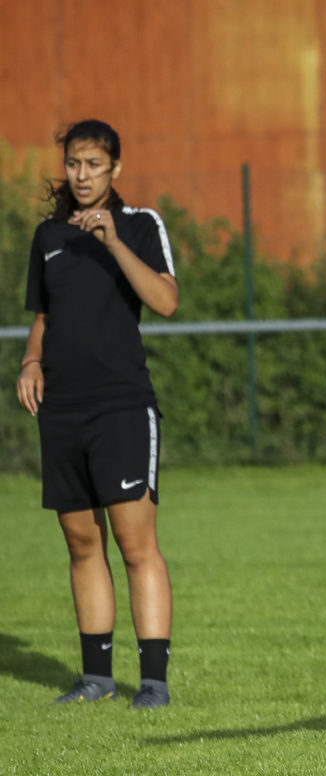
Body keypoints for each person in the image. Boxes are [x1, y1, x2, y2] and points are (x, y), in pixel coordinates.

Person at [15, 119, 179, 709]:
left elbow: (165, 301)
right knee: (82, 543)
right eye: (74, 164)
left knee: (137, 545)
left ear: (115, 169)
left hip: (122, 408)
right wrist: (31, 361)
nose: (82, 175)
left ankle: (153, 683)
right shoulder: (48, 235)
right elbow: (45, 313)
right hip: (62, 409)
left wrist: (112, 240)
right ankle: (96, 678)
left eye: (93, 164)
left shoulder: (139, 225)